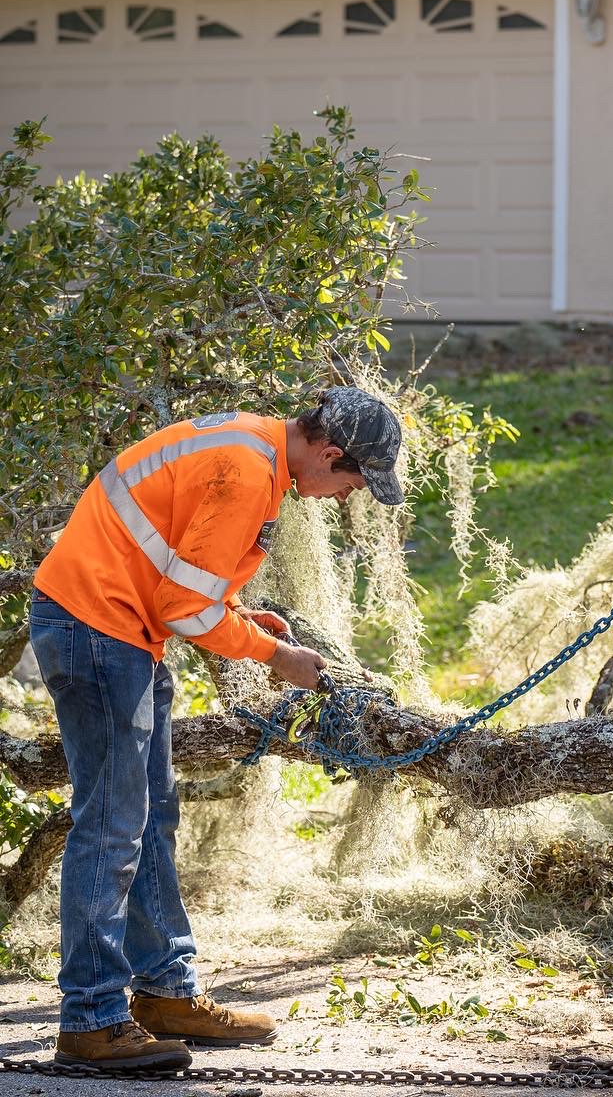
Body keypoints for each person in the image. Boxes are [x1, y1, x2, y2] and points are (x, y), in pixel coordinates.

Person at [28, 386, 405, 1074]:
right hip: (97, 630)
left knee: (149, 816)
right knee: (111, 826)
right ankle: (91, 1021)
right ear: (329, 453)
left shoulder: (249, 443)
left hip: (118, 630)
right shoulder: (246, 471)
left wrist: (238, 611)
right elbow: (185, 608)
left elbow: (183, 571)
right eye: (353, 480)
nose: (347, 496)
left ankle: (165, 992)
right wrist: (278, 657)